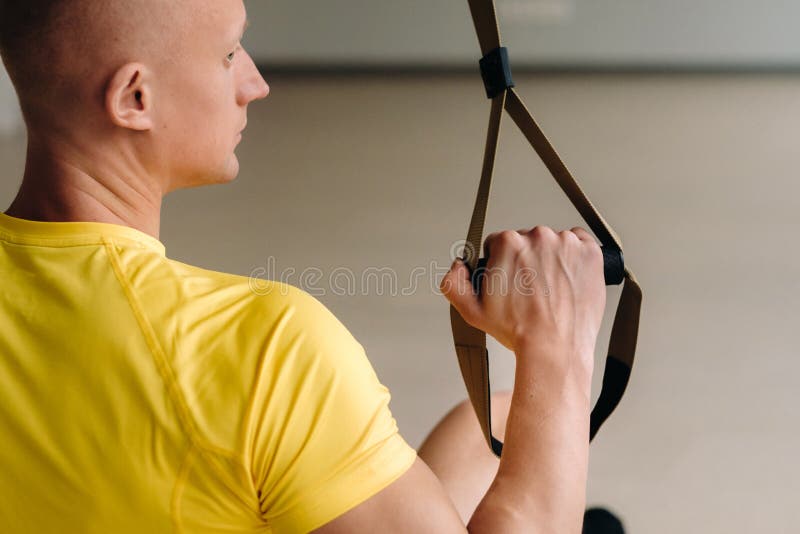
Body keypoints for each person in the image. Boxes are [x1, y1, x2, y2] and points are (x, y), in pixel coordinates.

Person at [0, 0, 607, 532]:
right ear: (136, 98)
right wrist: (557, 351)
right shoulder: (261, 349)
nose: (254, 82)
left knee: (496, 422)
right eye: (229, 53)